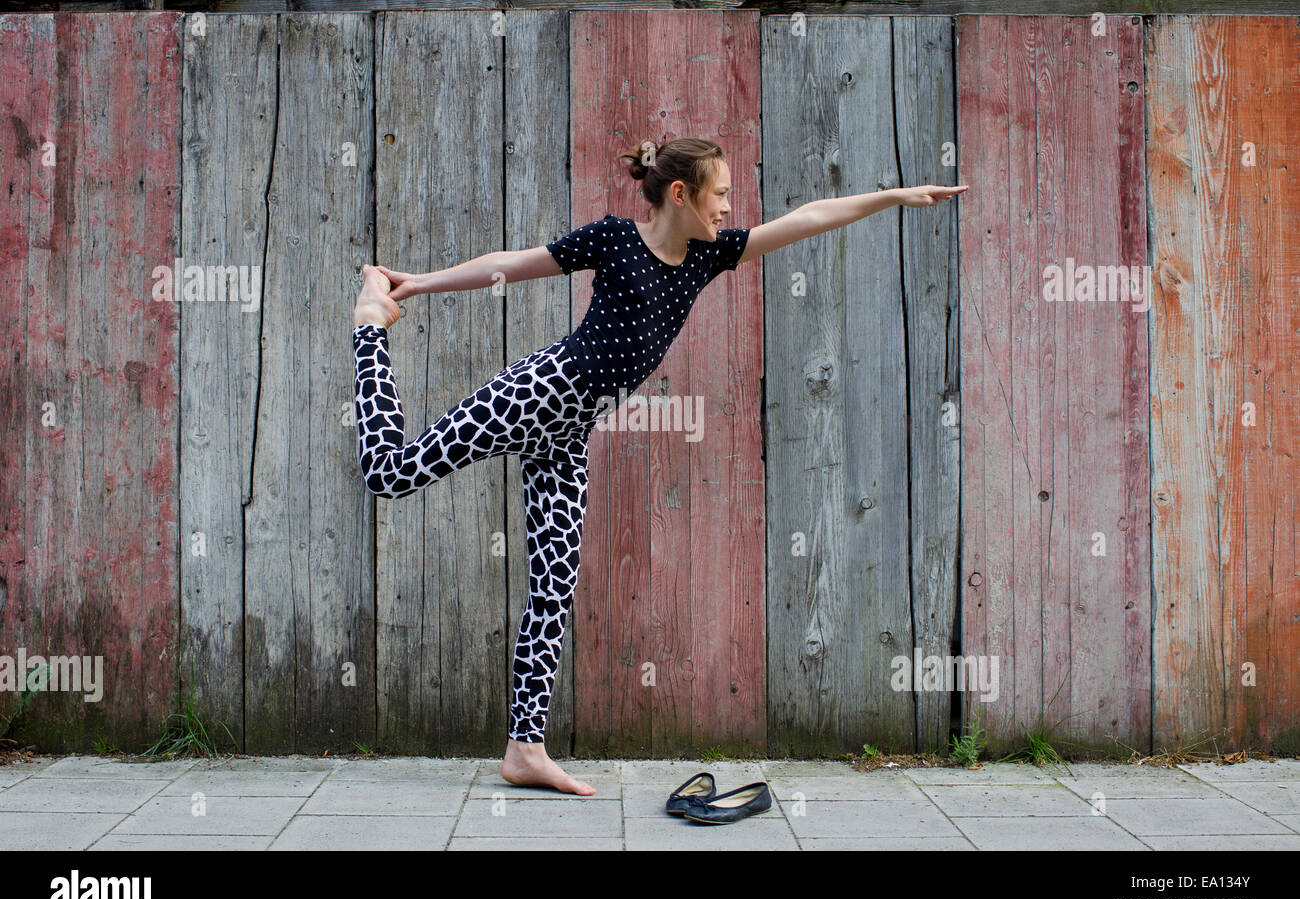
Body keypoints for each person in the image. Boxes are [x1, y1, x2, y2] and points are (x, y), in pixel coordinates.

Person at [352, 135, 967, 795]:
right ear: (682, 193)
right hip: (543, 390)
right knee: (390, 472)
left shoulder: (709, 256)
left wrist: (896, 196)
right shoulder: (614, 240)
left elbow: (807, 217)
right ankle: (368, 326)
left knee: (554, 586)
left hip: (572, 429)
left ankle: (524, 748)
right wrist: (416, 285)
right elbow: (514, 264)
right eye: (722, 193)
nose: (732, 206)